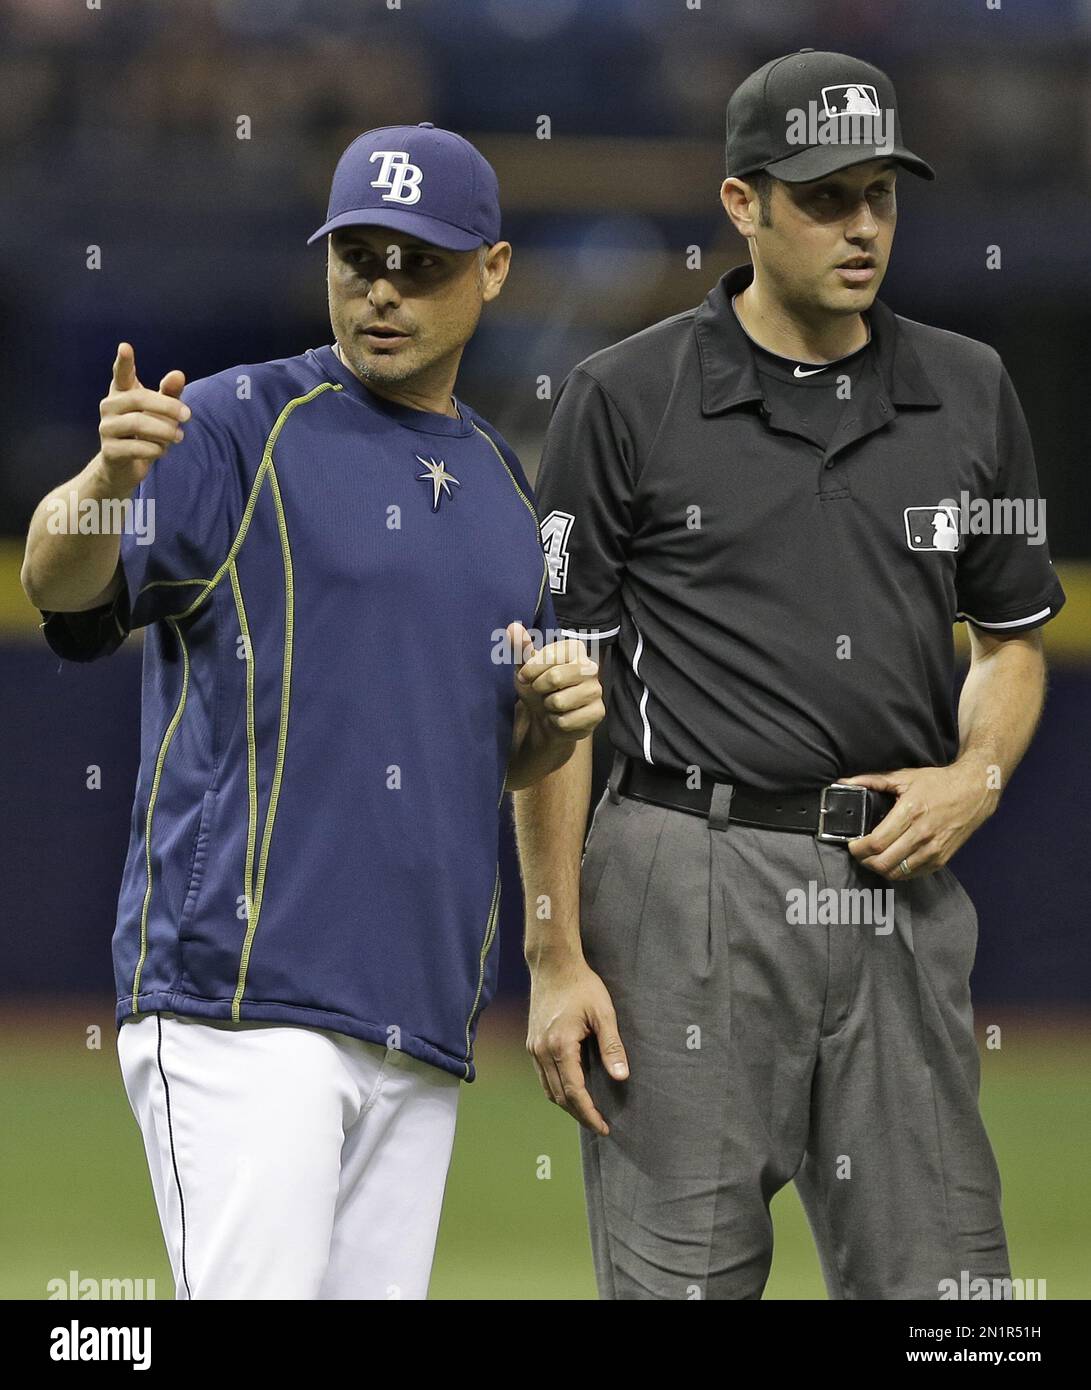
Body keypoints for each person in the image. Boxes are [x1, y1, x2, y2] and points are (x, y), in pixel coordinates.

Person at [514, 51, 1065, 1299]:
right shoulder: (623, 396)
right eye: (823, 196)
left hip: (892, 872)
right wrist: (555, 953)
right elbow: (557, 701)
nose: (859, 224)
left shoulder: (967, 389)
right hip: (681, 872)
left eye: (878, 193)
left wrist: (975, 773)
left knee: (951, 1302)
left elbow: (1012, 640)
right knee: (680, 1286)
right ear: (741, 204)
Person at [21, 122, 603, 1300]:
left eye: (419, 262)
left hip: (418, 1018)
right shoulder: (238, 424)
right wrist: (101, 484)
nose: (383, 289)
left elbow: (486, 755)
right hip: (240, 1001)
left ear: (491, 271)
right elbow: (59, 590)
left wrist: (550, 725)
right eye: (359, 257)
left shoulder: (502, 491)